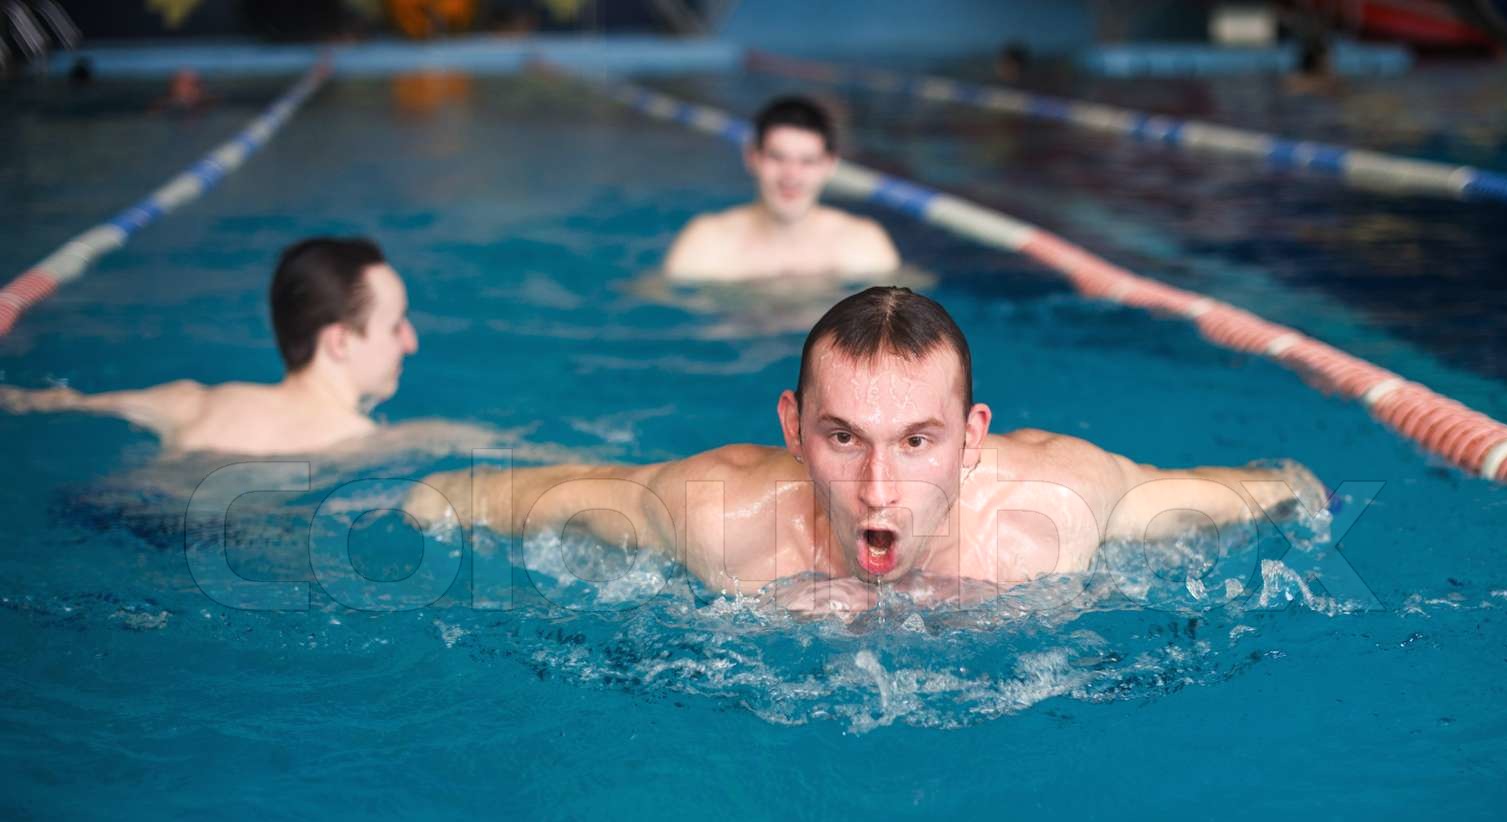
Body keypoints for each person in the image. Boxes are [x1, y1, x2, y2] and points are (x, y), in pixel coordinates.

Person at [408, 287, 1324, 609]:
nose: (878, 487)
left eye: (917, 440)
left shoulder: (1064, 502)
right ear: (792, 430)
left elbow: (1256, 491)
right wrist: (421, 506)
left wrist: (1293, 487)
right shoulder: (717, 512)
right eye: (842, 436)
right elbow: (463, 497)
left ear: (973, 438)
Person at [1, 237, 426, 456]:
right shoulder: (361, 441)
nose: (411, 342)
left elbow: (50, 401)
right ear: (340, 341)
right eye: (394, 326)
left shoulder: (193, 400)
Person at [662, 96, 901, 284]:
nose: (791, 176)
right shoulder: (707, 242)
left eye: (807, 161)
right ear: (752, 157)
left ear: (829, 166)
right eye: (777, 158)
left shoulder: (862, 244)